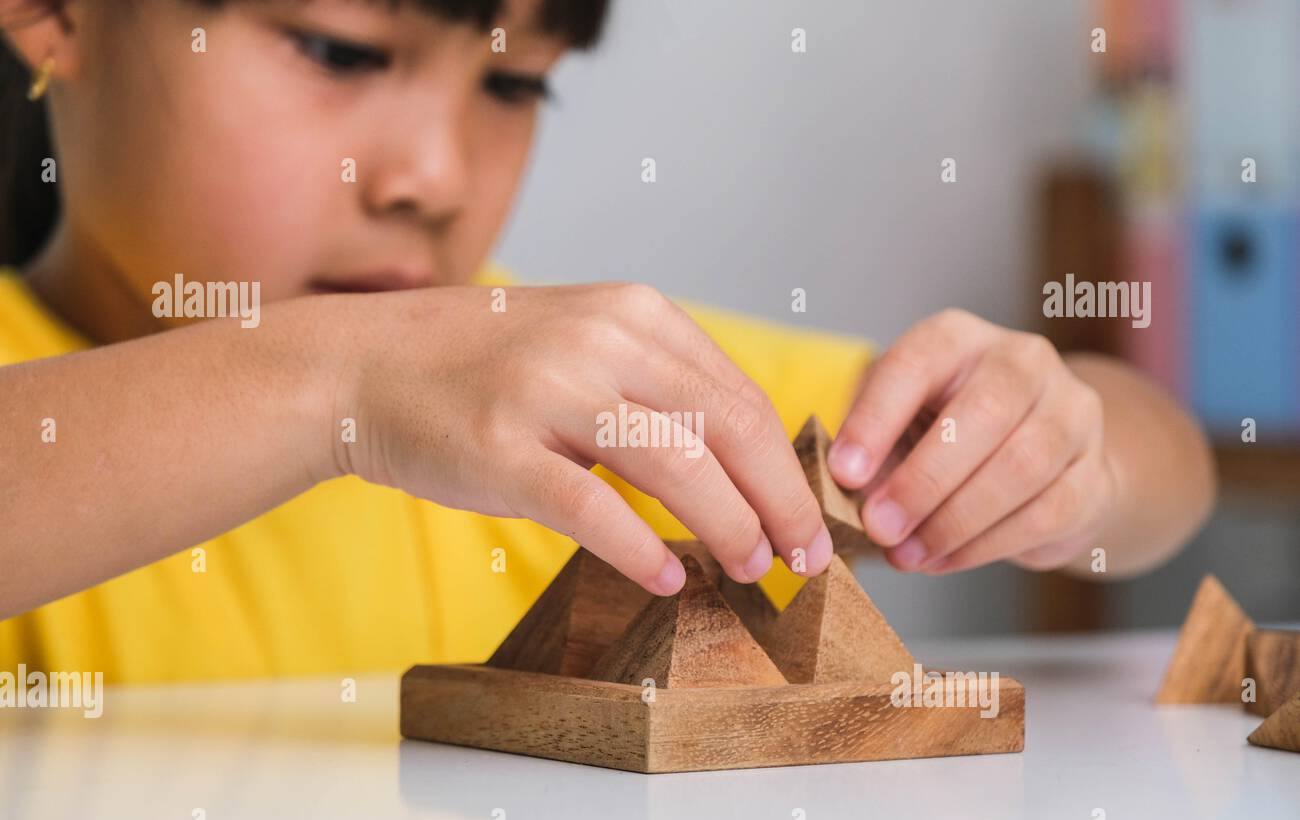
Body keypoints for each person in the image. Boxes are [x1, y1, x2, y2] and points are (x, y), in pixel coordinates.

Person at [0, 0, 1215, 683]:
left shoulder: (555, 390)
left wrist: (1074, 450)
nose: (431, 175)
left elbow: (1169, 471)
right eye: (341, 52)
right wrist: (342, 382)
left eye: (515, 86)